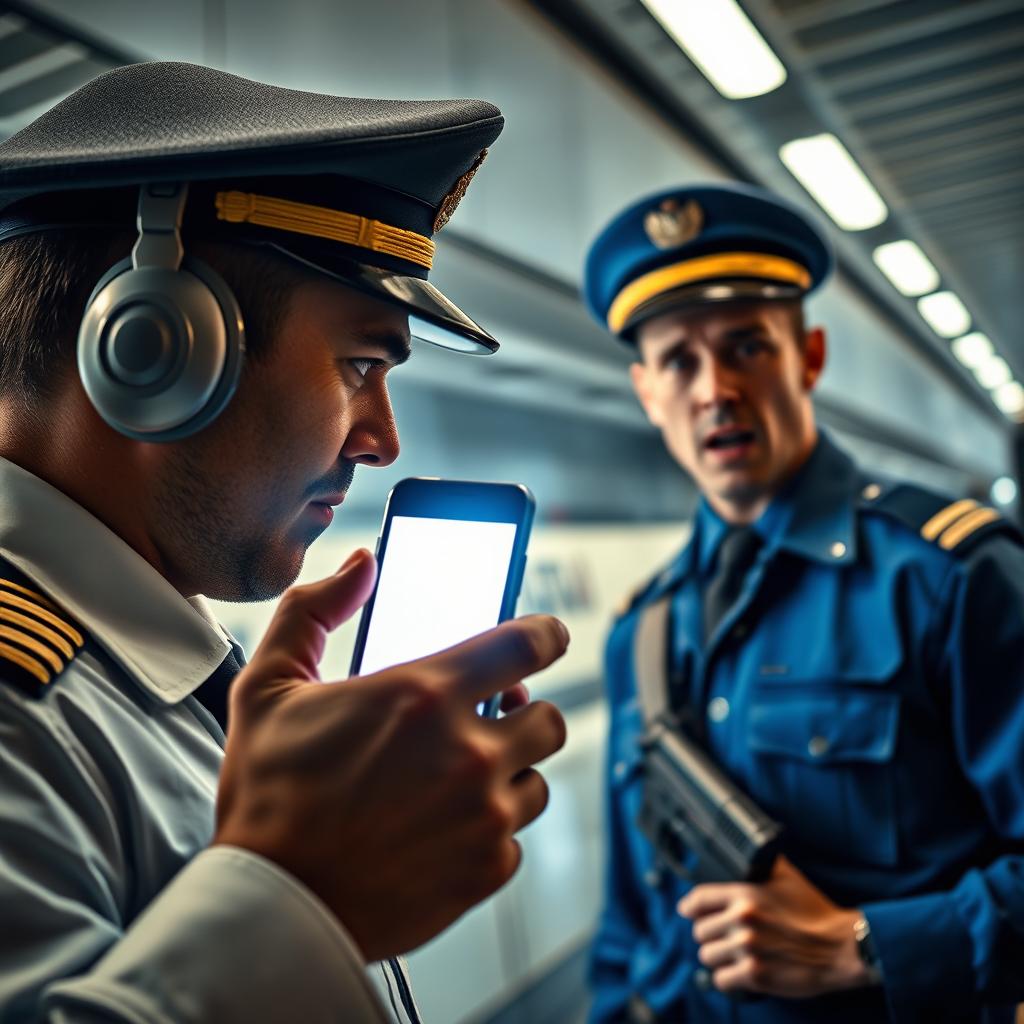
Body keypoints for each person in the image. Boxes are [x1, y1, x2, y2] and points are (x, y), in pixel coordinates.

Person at [0, 61, 569, 1023]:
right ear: (158, 347)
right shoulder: (23, 718)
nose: (384, 440)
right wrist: (304, 896)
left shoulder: (156, 680)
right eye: (358, 364)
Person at [581, 182, 1024, 1023]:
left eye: (747, 346)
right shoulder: (642, 630)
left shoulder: (947, 577)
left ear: (809, 357)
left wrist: (866, 944)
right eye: (679, 360)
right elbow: (627, 925)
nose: (714, 388)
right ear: (647, 392)